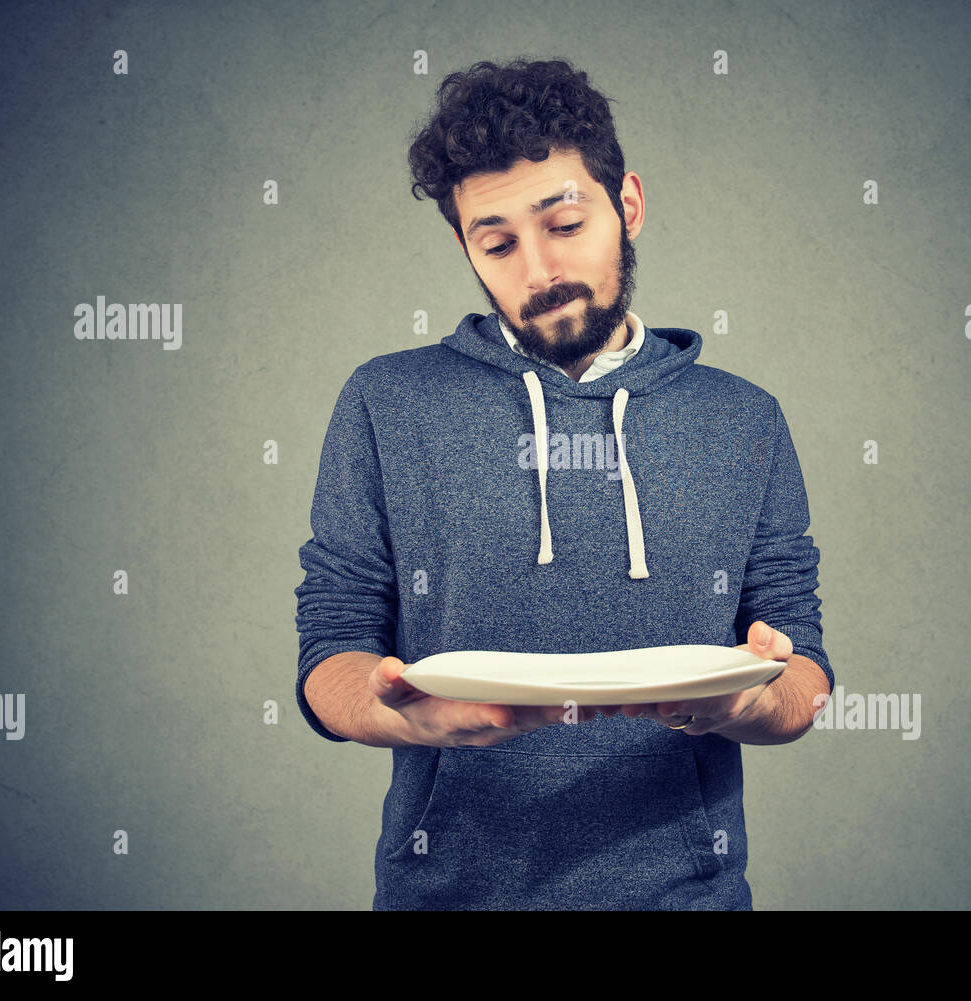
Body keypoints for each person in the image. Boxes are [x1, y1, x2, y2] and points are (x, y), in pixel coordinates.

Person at [294, 57, 834, 910]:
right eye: (498, 242)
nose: (538, 269)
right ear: (466, 246)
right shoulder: (385, 401)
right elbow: (331, 647)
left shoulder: (746, 420)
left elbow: (802, 676)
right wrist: (404, 716)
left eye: (566, 222)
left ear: (628, 207)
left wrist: (739, 702)